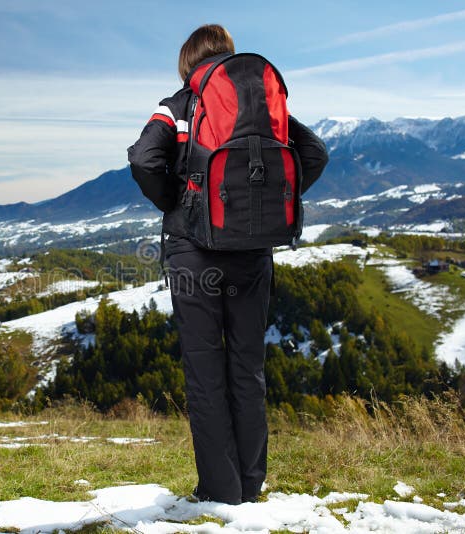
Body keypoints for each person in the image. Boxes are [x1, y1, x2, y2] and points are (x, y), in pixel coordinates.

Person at [127, 24, 328, 504]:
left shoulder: (178, 104)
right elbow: (314, 154)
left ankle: (220, 493)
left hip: (194, 253)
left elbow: (144, 161)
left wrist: (179, 204)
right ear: (228, 55)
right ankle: (251, 486)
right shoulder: (261, 104)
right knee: (247, 368)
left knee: (205, 371)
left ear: (187, 62)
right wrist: (272, 199)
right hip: (253, 250)